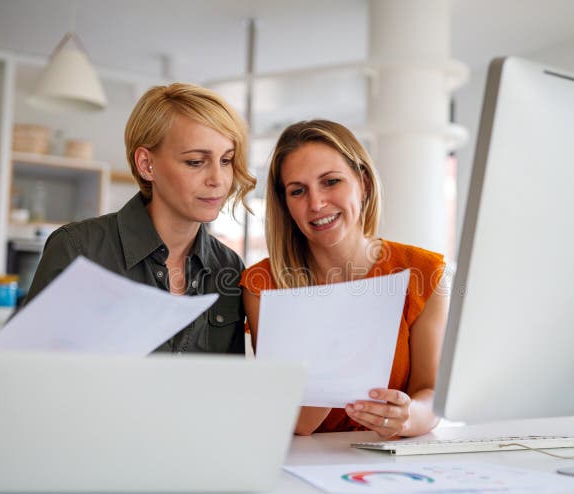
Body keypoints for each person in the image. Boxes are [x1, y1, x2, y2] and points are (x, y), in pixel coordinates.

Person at [241, 119, 449, 438]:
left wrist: (407, 417)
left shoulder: (422, 272)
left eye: (331, 181)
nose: (316, 203)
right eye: (298, 191)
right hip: (305, 460)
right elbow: (295, 421)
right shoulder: (263, 285)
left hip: (390, 454)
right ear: (285, 204)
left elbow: (431, 394)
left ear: (363, 183)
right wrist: (339, 350)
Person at [23, 83, 255, 354]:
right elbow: (30, 369)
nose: (217, 179)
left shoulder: (229, 266)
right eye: (195, 162)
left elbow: (228, 378)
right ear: (146, 164)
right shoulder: (77, 250)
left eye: (226, 161)